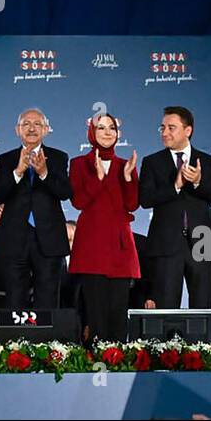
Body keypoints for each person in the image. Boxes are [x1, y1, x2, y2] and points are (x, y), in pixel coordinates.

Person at [138, 106, 211, 309]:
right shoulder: (152, 162)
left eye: (171, 127)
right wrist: (175, 186)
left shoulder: (207, 161)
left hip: (203, 241)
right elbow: (145, 199)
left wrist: (198, 182)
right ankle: (168, 343)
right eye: (162, 128)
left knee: (203, 307)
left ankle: (203, 343)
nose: (165, 132)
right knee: (166, 309)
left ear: (188, 131)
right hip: (166, 244)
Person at [69, 113, 140, 343]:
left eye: (112, 128)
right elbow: (78, 201)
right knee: (95, 313)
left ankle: (117, 362)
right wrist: (98, 178)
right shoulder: (79, 164)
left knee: (118, 313)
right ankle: (95, 366)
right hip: (93, 248)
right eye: (101, 128)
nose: (108, 132)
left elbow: (132, 204)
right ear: (92, 133)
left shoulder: (124, 165)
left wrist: (129, 178)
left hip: (120, 248)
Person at [0, 108, 72, 308]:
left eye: (37, 124)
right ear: (17, 130)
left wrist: (44, 173)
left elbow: (65, 192)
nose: (32, 128)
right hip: (14, 239)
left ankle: (47, 340)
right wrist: (17, 171)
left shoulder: (58, 157)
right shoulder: (6, 159)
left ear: (45, 130)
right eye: (26, 124)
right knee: (15, 298)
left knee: (48, 298)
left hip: (48, 238)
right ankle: (16, 340)